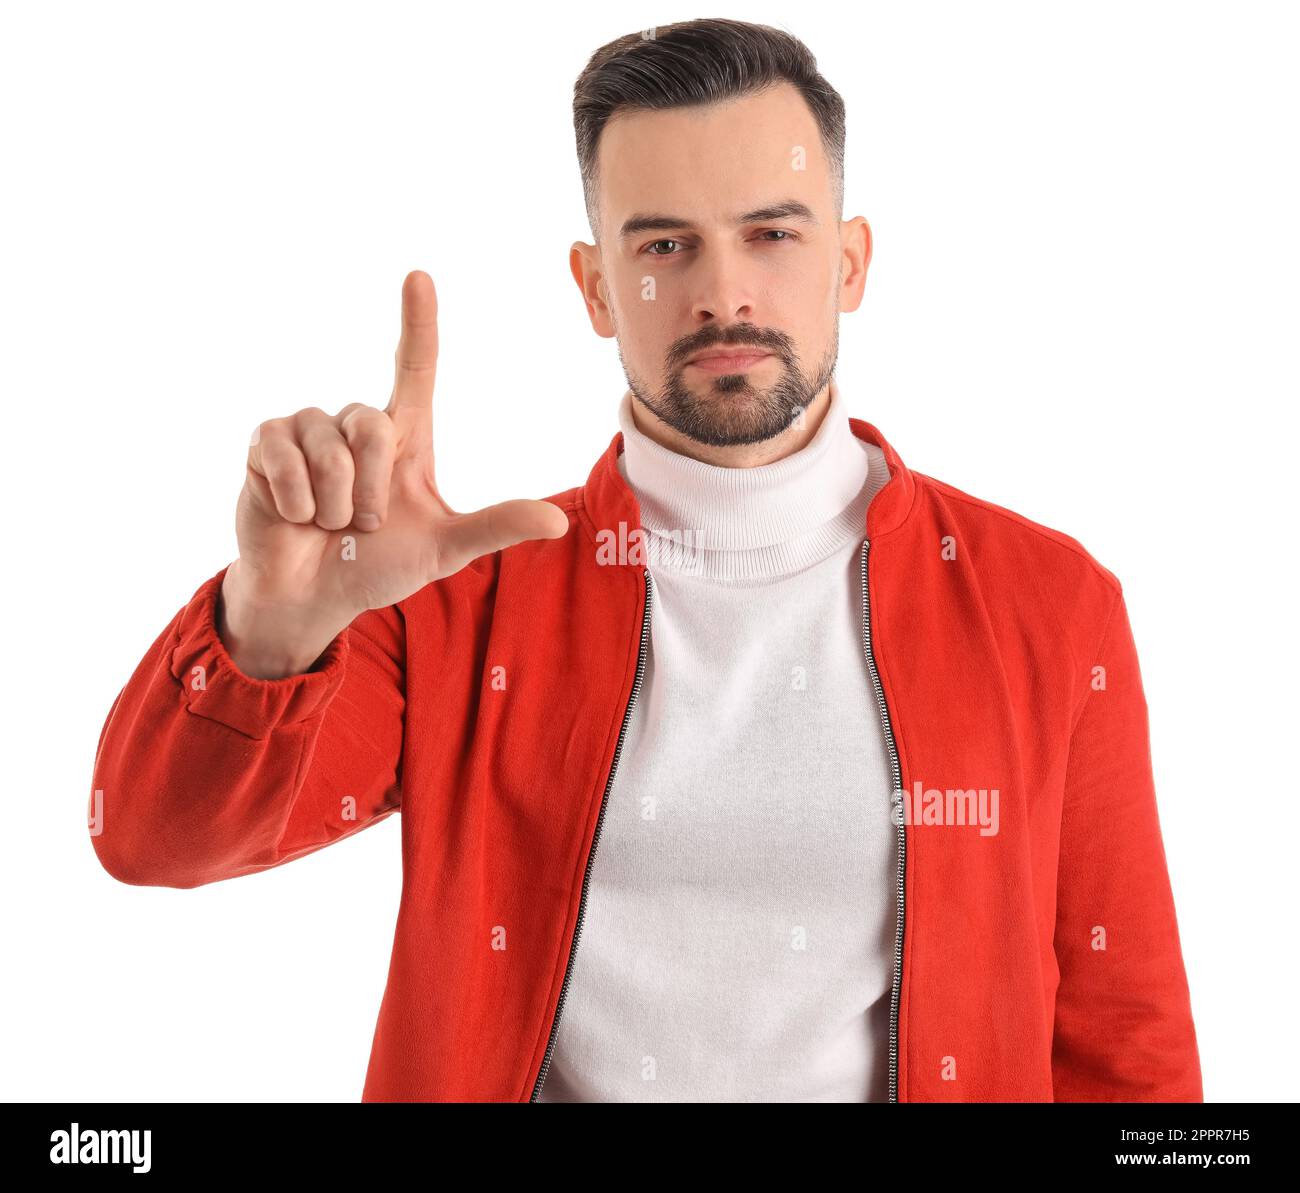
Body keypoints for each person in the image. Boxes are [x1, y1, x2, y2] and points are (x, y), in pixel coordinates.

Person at [89, 18, 1202, 1102]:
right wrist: (270, 634)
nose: (724, 290)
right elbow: (150, 840)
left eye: (772, 233)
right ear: (594, 289)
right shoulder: (456, 600)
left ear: (850, 262)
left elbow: (1124, 1033)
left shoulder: (1049, 603)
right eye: (665, 244)